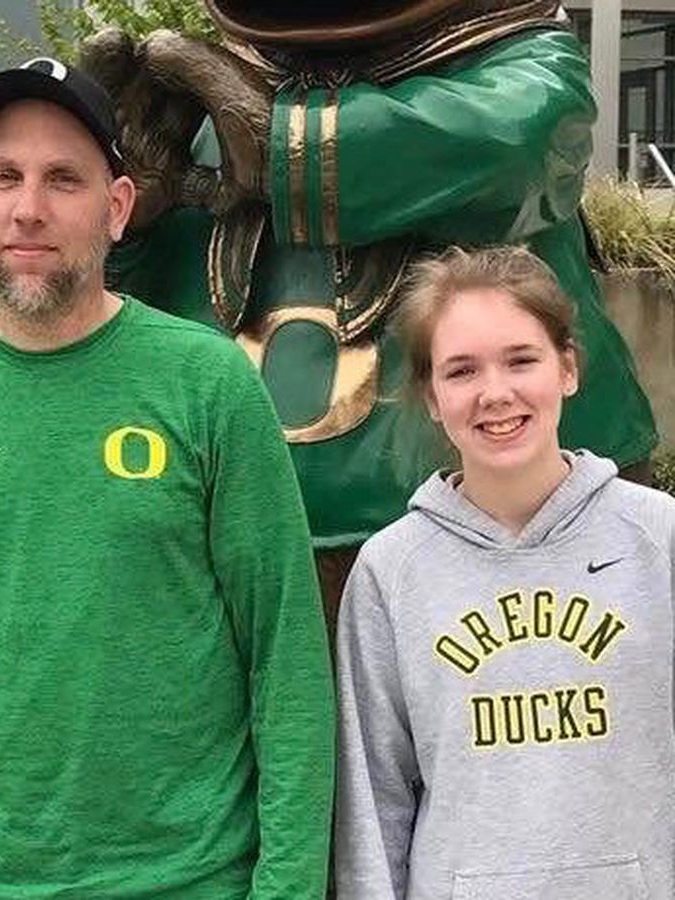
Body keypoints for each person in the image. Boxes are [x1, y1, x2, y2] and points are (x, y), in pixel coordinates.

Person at [0, 58, 334, 899]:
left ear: (117, 207)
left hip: (192, 883)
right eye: (6, 177)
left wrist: (285, 889)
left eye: (64, 179)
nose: (29, 208)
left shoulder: (208, 385)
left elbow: (284, 660)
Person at [85, 1, 658, 631]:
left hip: (489, 539)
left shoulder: (522, 66)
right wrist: (126, 221)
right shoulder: (200, 101)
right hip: (238, 547)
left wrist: (280, 139)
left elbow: (518, 145)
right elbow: (133, 328)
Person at [333, 245, 674, 899]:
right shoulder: (391, 571)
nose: (495, 393)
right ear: (432, 396)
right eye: (462, 370)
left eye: (521, 360)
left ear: (567, 368)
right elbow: (373, 807)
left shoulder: (658, 539)